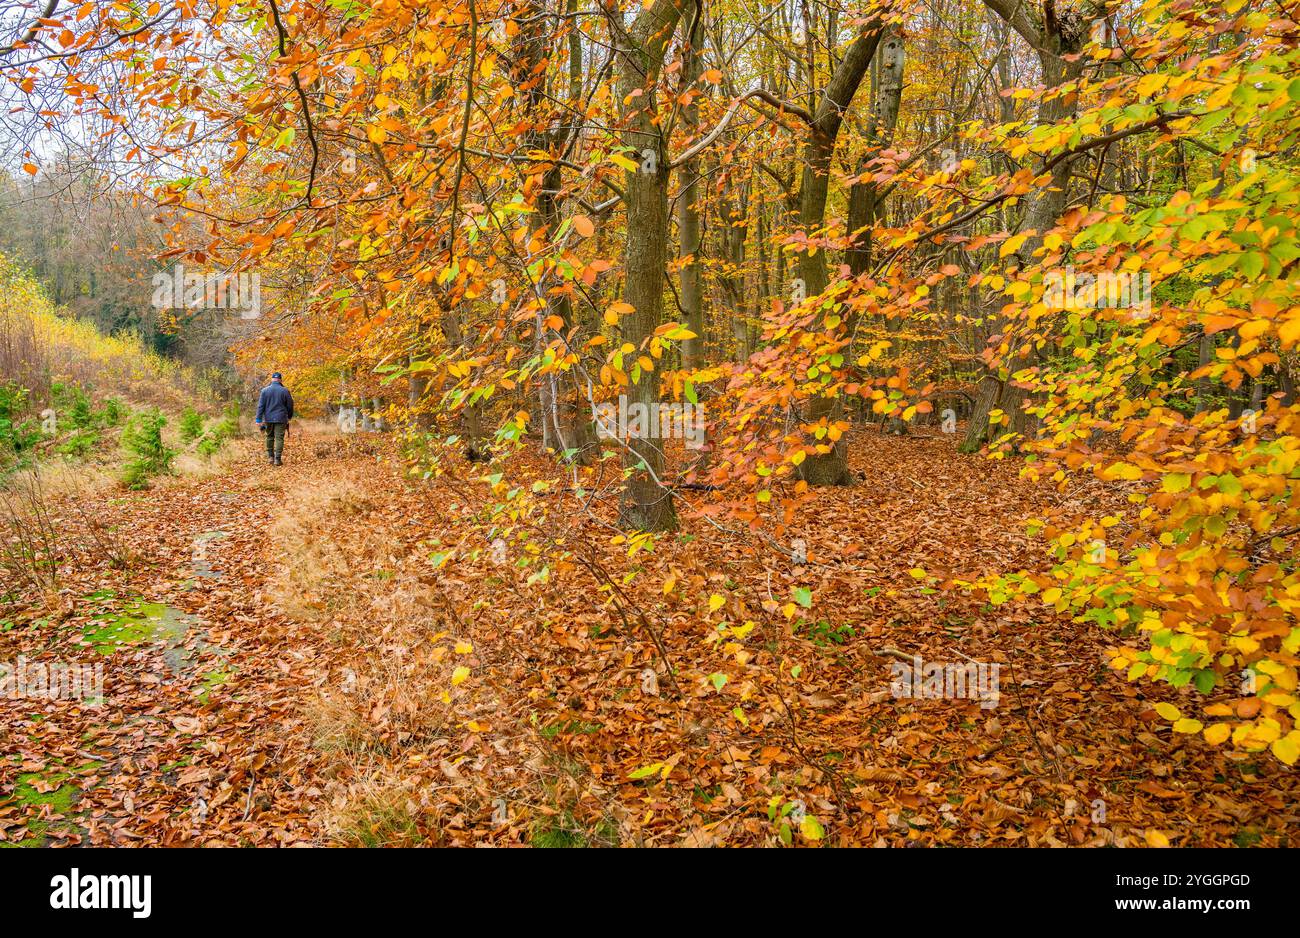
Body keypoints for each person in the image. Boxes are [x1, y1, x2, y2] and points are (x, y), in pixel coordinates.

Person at [255, 372, 294, 466]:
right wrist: (289, 416)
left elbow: (261, 406)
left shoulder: (264, 391)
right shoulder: (285, 391)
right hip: (281, 418)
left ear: (272, 379)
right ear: (280, 380)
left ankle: (270, 457)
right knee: (279, 438)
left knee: (269, 437)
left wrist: (258, 419)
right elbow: (290, 405)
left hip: (268, 418)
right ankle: (277, 459)